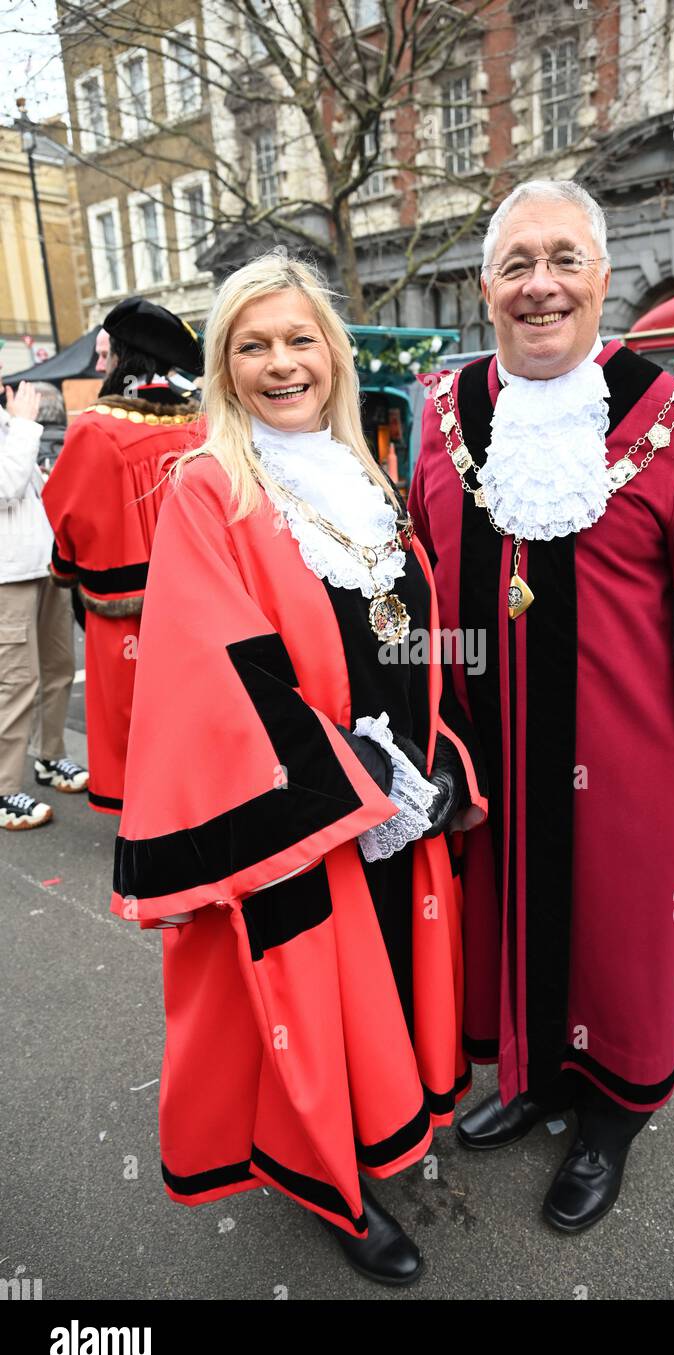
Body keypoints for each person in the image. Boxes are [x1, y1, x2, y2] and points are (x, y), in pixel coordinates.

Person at [409, 178, 674, 1235]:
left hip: (626, 751)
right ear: (486, 286)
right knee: (513, 920)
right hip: (491, 757)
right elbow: (419, 579)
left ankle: (612, 1116)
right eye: (517, 264)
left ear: (603, 278)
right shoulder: (445, 412)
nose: (541, 285)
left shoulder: (668, 411)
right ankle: (535, 1075)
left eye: (564, 260)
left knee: (621, 937)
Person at [109, 253, 486, 1286]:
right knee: (309, 998)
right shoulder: (206, 489)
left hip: (393, 793)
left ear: (334, 350)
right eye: (253, 345)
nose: (282, 364)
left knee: (389, 985)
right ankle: (334, 1184)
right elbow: (217, 673)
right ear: (225, 366)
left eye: (299, 339)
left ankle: (386, 1134)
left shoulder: (367, 467)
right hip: (306, 806)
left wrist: (438, 755)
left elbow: (409, 630)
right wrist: (357, 775)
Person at [41, 299, 203, 815]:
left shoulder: (97, 426)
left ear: (123, 357)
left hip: (127, 603)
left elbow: (71, 513)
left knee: (132, 714)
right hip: (196, 599)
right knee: (191, 705)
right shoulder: (200, 422)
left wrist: (65, 568)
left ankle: (150, 818)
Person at [0, 379, 87, 829]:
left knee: (57, 669)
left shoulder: (11, 424)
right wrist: (23, 425)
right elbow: (6, 486)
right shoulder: (17, 425)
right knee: (16, 681)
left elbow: (30, 488)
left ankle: (51, 756)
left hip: (41, 566)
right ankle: (3, 786)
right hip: (7, 578)